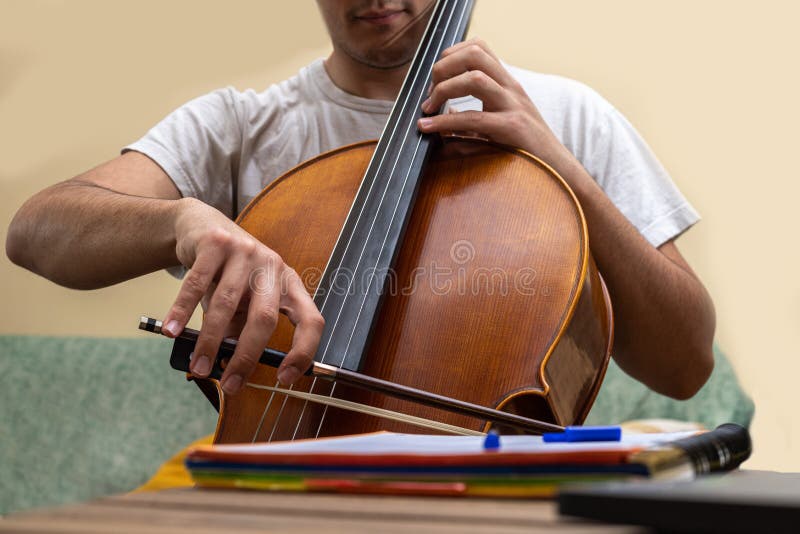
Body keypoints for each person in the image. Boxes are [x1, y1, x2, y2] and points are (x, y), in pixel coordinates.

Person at [6, 0, 715, 402]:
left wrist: (563, 173)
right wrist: (181, 221)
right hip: (272, 486)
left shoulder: (565, 115)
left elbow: (684, 366)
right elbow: (37, 231)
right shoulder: (238, 128)